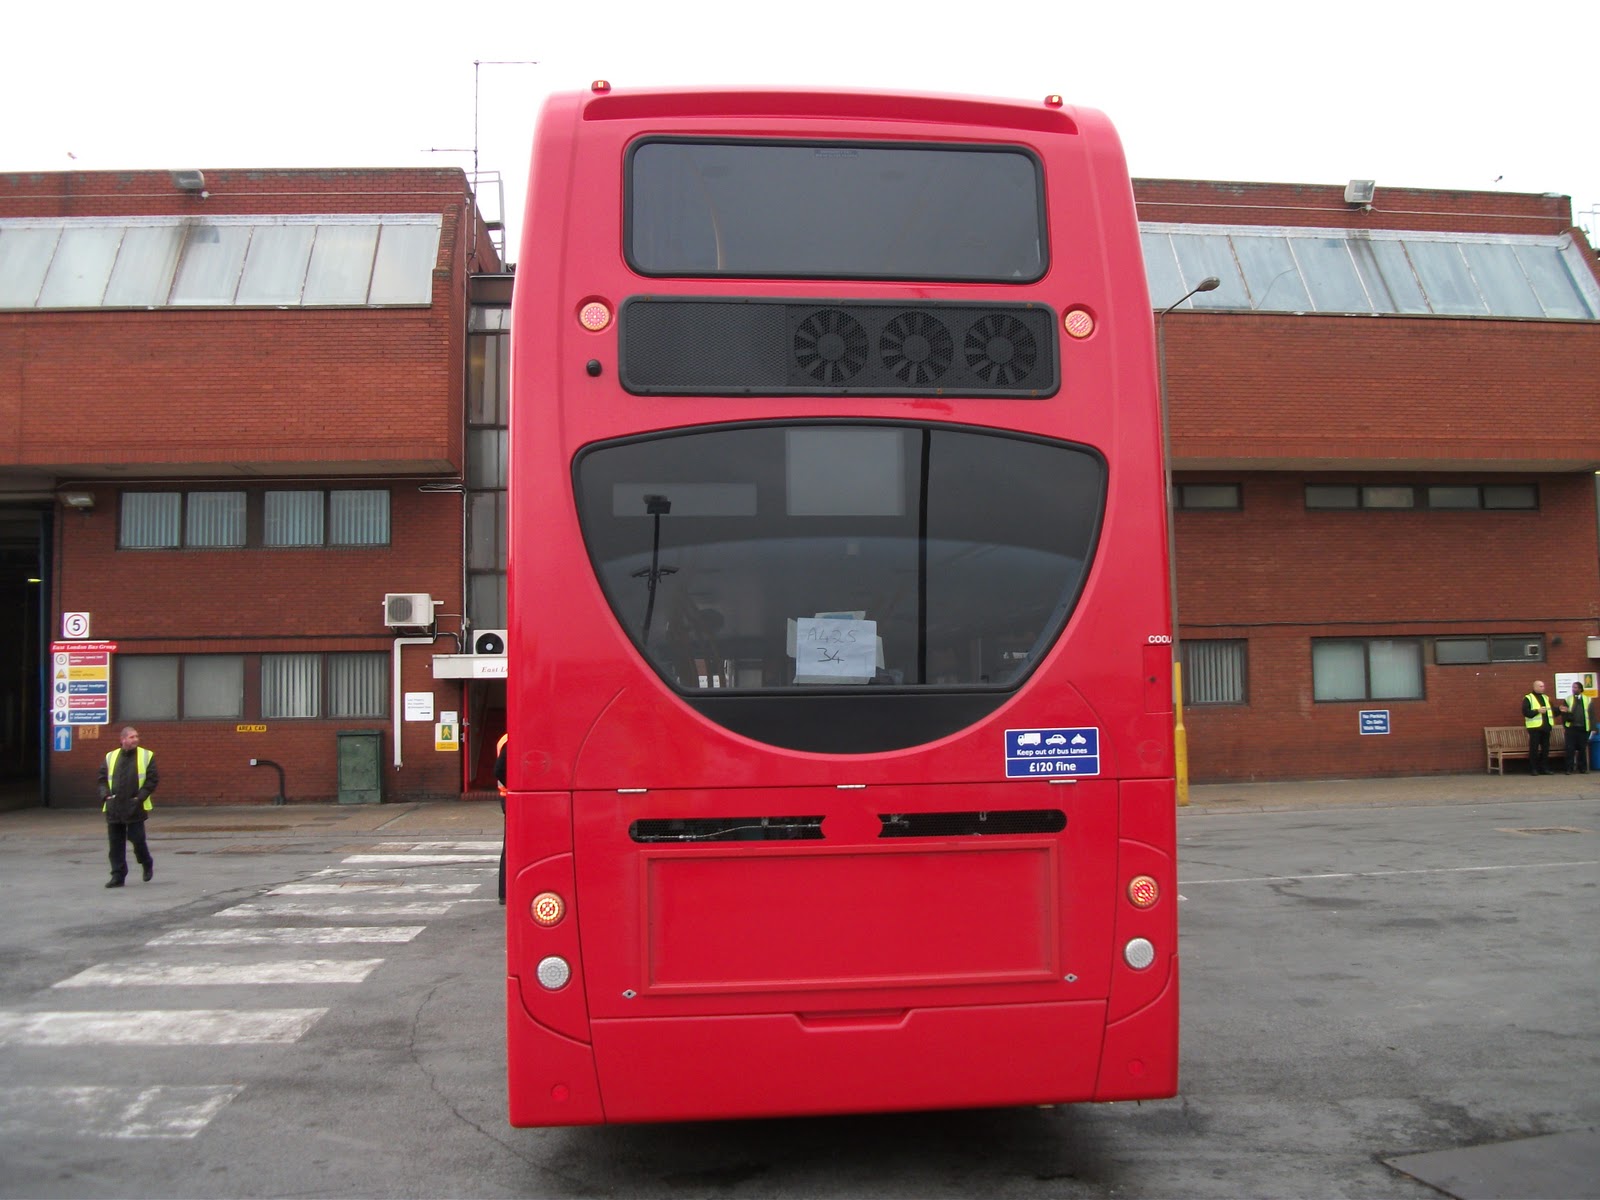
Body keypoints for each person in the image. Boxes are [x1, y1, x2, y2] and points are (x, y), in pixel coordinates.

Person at [99, 725, 158, 887]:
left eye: (137, 737)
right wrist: (106, 796)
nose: (136, 740)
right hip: (114, 806)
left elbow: (152, 780)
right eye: (132, 737)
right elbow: (102, 779)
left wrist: (139, 798)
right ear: (123, 739)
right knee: (115, 844)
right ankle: (118, 875)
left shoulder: (146, 755)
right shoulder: (110, 757)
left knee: (138, 839)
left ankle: (146, 862)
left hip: (135, 806)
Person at [1521, 681, 1555, 776]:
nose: (1543, 688)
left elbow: (1551, 711)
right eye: (1540, 686)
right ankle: (1534, 769)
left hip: (1546, 728)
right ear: (1535, 687)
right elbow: (1525, 712)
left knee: (1545, 749)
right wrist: (1537, 711)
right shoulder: (1528, 698)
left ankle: (1544, 768)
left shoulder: (1546, 698)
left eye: (1543, 686)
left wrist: (1559, 710)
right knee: (1534, 749)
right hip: (1534, 728)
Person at [1560, 681, 1592, 775]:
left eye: (1576, 687)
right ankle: (1569, 768)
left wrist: (1593, 728)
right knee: (1570, 748)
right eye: (1573, 687)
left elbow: (1591, 714)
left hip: (1583, 727)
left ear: (1580, 689)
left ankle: (1583, 768)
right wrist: (1565, 725)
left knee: (1582, 749)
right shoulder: (1568, 699)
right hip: (1571, 728)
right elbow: (1564, 713)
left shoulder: (1587, 699)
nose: (1574, 689)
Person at [494, 732, 509, 905]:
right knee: (510, 845)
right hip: (510, 796)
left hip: (506, 795)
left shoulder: (504, 738)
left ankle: (504, 892)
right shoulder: (511, 740)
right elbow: (499, 770)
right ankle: (504, 891)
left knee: (509, 845)